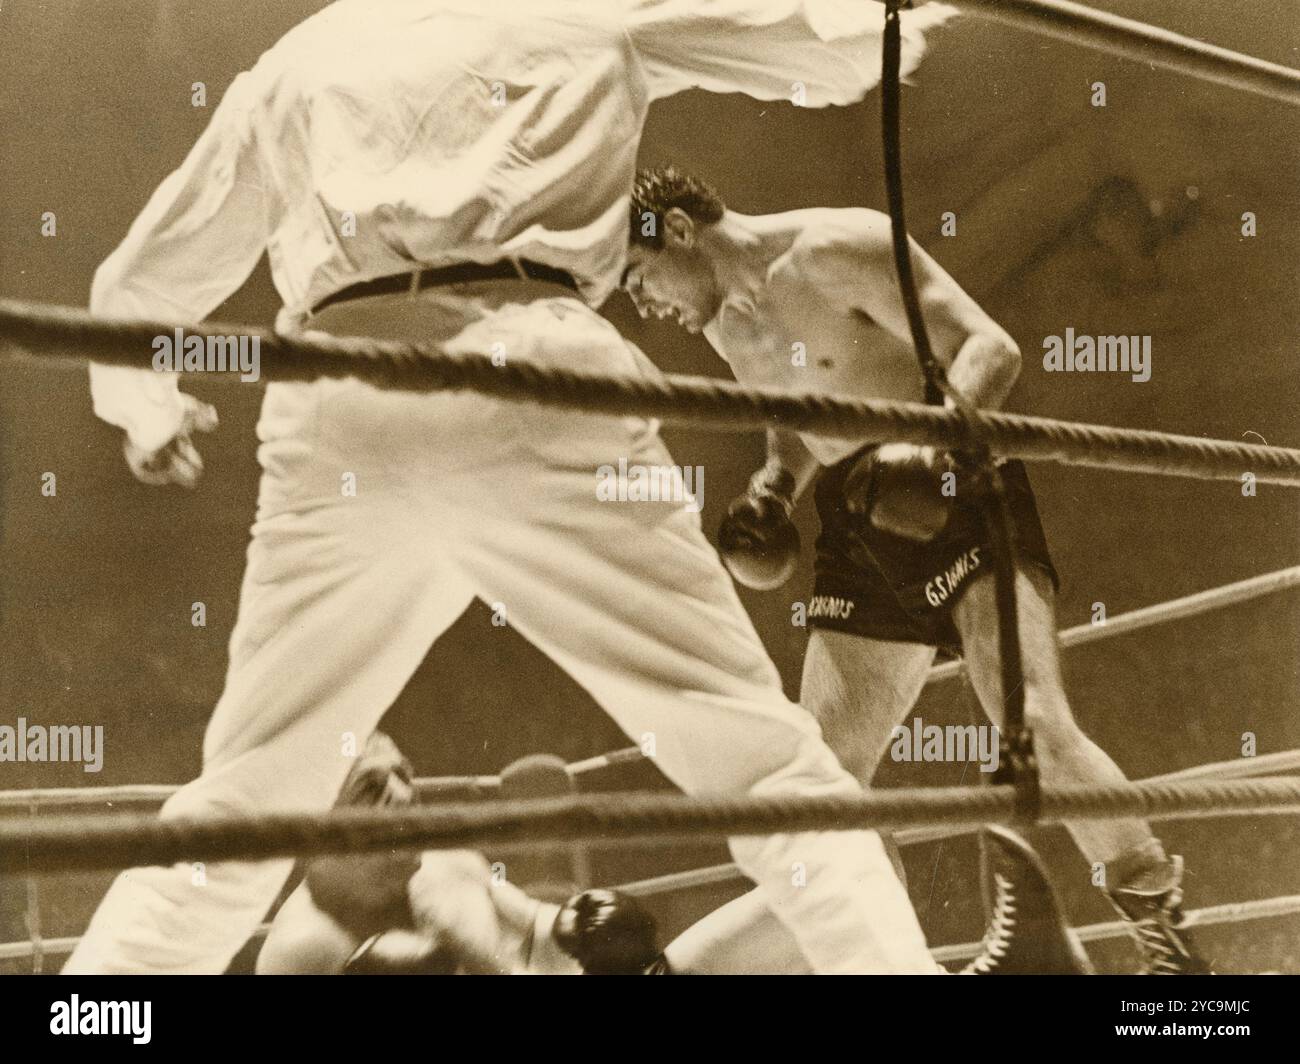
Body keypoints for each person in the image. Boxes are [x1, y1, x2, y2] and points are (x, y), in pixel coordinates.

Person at [65, 0, 961, 975]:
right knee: (765, 766)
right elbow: (820, 52)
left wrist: (142, 409)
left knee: (246, 803)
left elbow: (138, 287)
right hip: (542, 375)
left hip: (348, 389)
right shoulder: (579, 16)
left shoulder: (301, 59)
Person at [619, 165, 1209, 974]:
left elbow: (990, 349)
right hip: (857, 529)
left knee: (1031, 723)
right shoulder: (727, 319)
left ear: (679, 232)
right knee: (824, 800)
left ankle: (1172, 953)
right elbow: (792, 410)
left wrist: (928, 452)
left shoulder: (837, 248)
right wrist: (774, 487)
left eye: (636, 276)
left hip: (958, 488)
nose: (642, 304)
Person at [257, 734, 658, 975]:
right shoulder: (302, 948)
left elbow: (532, 926)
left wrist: (580, 928)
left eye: (404, 777)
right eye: (371, 790)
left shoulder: (450, 864)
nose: (404, 796)